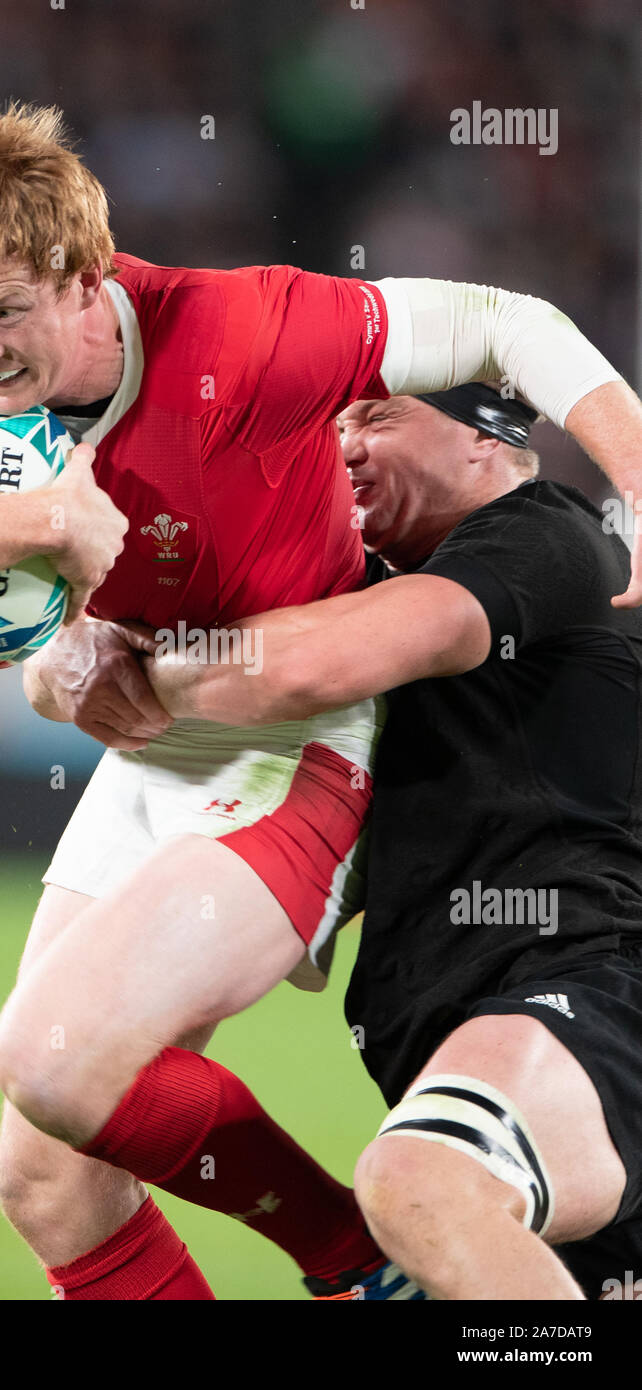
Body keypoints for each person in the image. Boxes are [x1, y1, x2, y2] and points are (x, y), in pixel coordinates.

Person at [0, 102, 640, 1302]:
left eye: (4, 314)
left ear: (87, 279)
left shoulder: (251, 327)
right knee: (46, 1178)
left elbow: (511, 324)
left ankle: (350, 1258)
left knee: (52, 1057)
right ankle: (356, 1256)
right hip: (151, 755)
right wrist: (40, 559)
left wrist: (640, 485)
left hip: (290, 752)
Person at [143, 384, 642, 1298]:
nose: (345, 447)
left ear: (484, 443)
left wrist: (143, 670)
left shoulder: (541, 538)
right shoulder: (378, 587)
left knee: (423, 1184)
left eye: (378, 418)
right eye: (333, 424)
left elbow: (301, 665)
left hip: (588, 987)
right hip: (470, 1021)